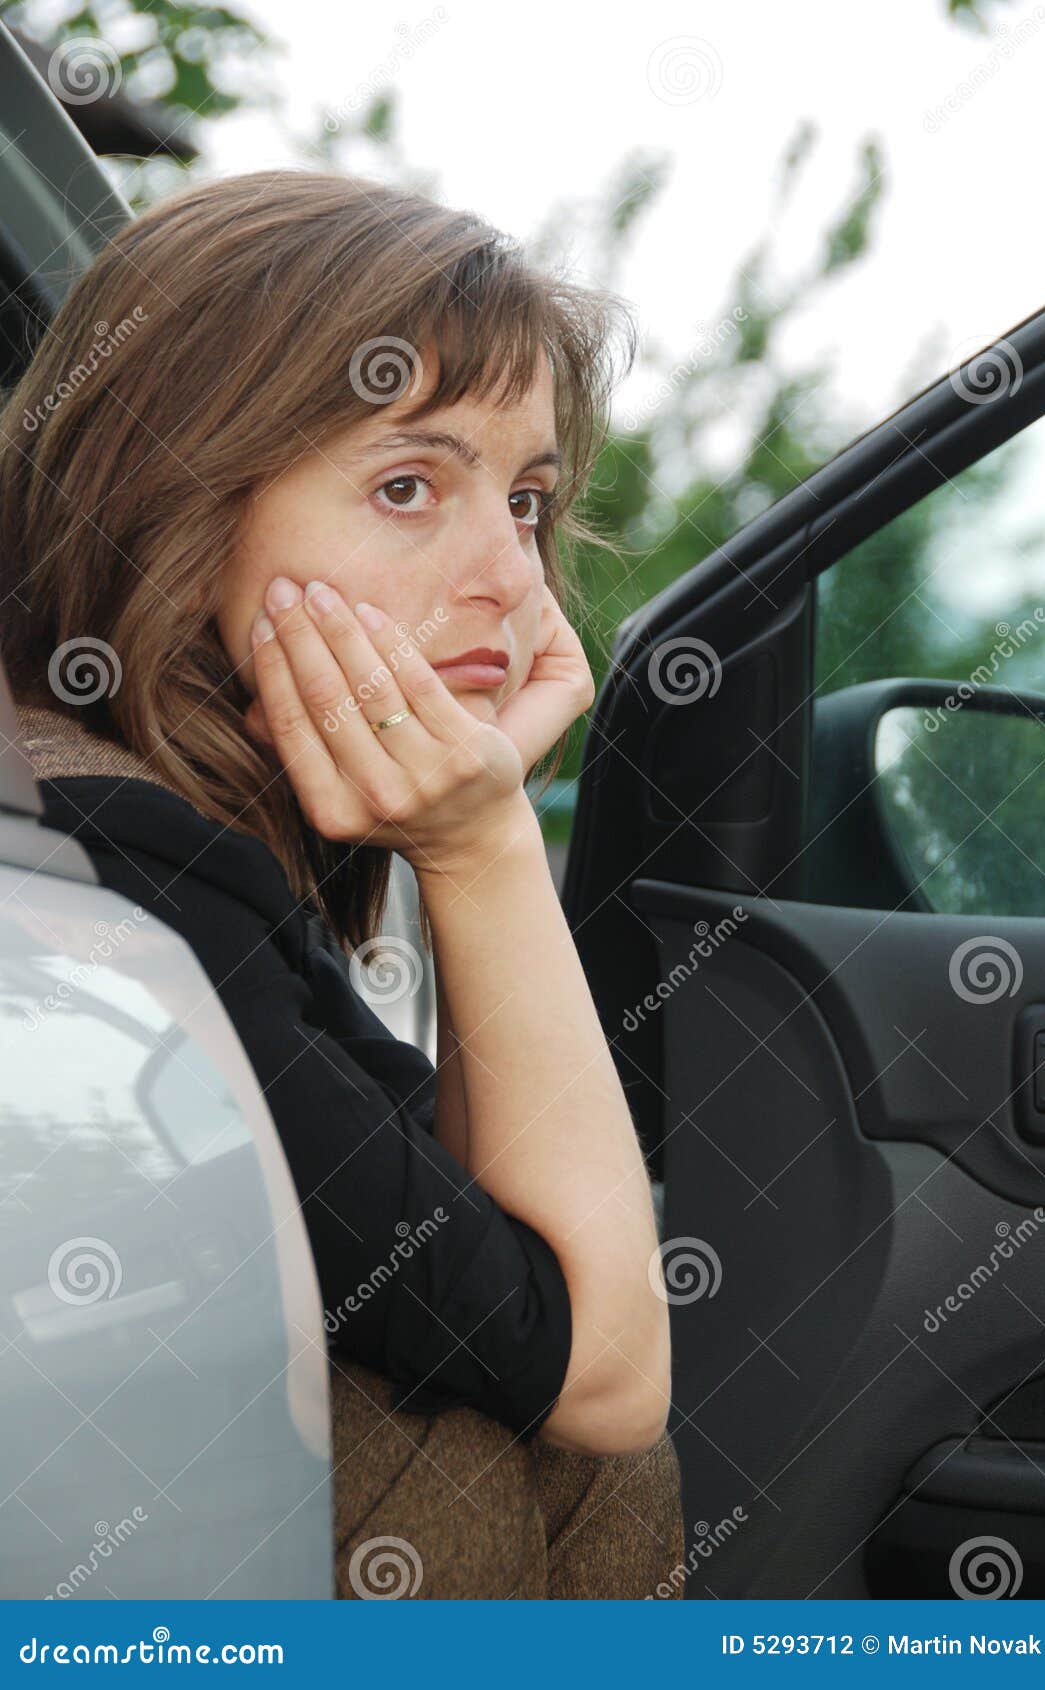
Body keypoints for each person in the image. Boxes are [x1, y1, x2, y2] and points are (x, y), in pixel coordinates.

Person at [0, 168, 683, 1597]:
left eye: (528, 499)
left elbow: (483, 1247)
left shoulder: (120, 822)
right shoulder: (122, 868)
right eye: (407, 486)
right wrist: (484, 848)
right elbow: (602, 1371)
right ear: (175, 507)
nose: (513, 578)